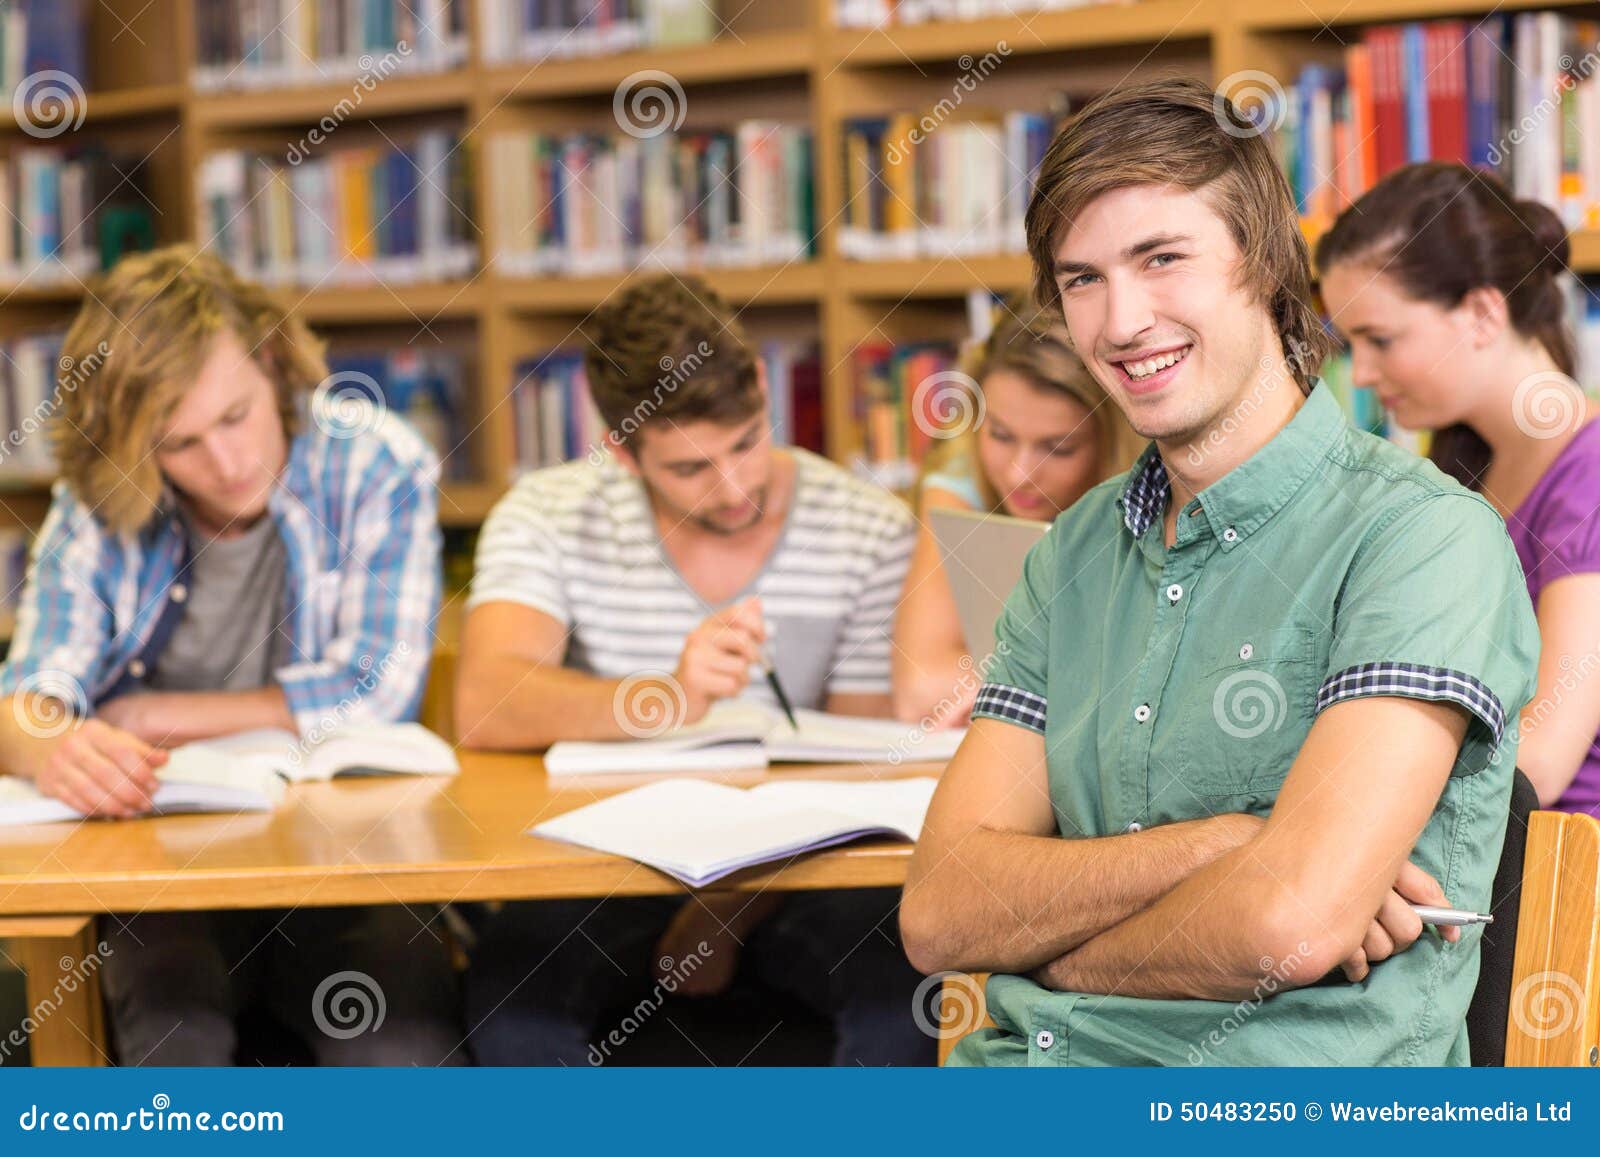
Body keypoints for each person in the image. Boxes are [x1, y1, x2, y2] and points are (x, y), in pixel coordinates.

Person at [899, 77, 1540, 1066]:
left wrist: (1047, 959)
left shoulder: (1423, 540)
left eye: (1162, 258)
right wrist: (1232, 841)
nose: (1121, 322)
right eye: (1082, 279)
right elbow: (940, 912)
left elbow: (1290, 924)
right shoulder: (1069, 553)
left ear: (1267, 260)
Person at [456, 273, 932, 1066]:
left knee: (904, 1001)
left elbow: (861, 777)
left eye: (746, 442)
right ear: (622, 451)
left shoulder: (869, 528)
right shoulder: (545, 514)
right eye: (690, 468)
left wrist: (724, 911)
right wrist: (669, 698)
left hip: (799, 876)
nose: (735, 486)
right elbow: (485, 703)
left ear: (764, 393)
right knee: (513, 1005)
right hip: (604, 867)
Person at [0, 245, 459, 1066]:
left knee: (399, 1052)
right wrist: (49, 743)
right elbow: (34, 687)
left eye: (236, 416)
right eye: (180, 443)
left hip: (346, 847)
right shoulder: (97, 499)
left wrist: (153, 713)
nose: (225, 463)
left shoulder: (372, 460)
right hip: (162, 860)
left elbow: (377, 686)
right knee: (176, 1041)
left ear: (271, 361)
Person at [1317, 162, 1600, 817]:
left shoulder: (1588, 475)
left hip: (1557, 861)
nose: (1360, 374)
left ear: (1481, 312)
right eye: (1351, 344)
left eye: (1379, 339)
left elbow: (1541, 758)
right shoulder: (1463, 464)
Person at [892, 293, 1138, 724]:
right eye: (1001, 435)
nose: (1020, 474)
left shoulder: (1149, 496)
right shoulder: (959, 479)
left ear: (1111, 443)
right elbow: (920, 690)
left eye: (1058, 448)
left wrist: (1002, 691)